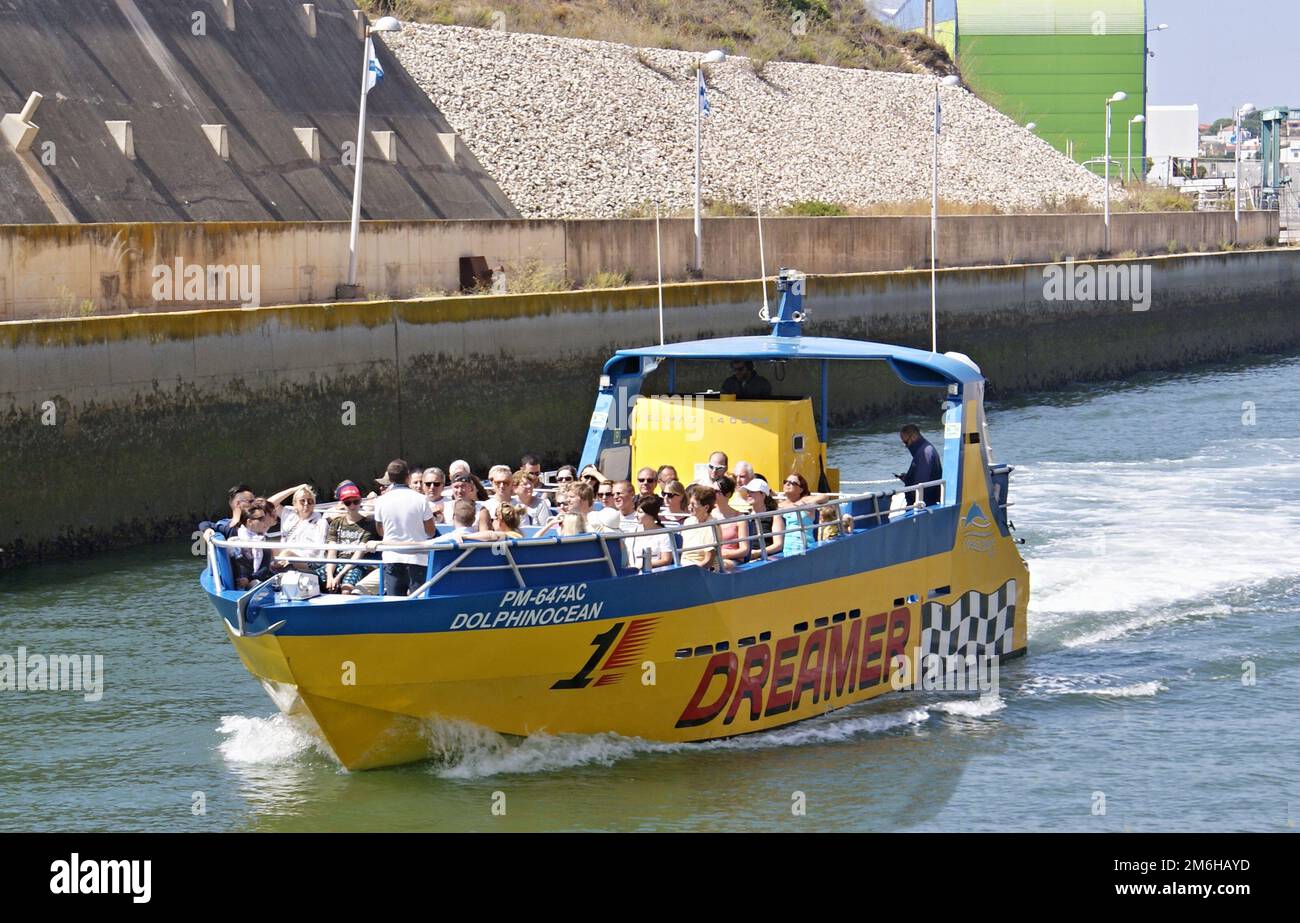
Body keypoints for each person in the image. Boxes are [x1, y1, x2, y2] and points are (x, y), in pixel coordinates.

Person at [371, 459, 436, 597]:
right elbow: (430, 531)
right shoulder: (420, 499)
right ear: (408, 476)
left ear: (389, 478)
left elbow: (380, 530)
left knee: (394, 604)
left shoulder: (381, 501)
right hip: (417, 559)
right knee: (418, 604)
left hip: (391, 558)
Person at [323, 485, 380, 594]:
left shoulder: (368, 524)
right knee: (313, 580)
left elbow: (357, 556)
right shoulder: (336, 523)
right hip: (337, 563)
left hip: (356, 565)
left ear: (360, 501)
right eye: (348, 503)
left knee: (346, 590)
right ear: (342, 504)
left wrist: (338, 576)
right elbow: (332, 552)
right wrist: (330, 576)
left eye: (356, 501)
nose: (352, 506)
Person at [776, 473, 829, 556]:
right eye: (786, 481)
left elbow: (825, 497)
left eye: (793, 483)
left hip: (804, 546)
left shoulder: (806, 500)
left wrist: (806, 504)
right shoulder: (781, 505)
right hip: (787, 547)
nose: (787, 484)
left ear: (801, 489)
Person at [230, 499, 276, 588]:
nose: (265, 521)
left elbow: (265, 568)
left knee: (256, 584)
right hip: (236, 582)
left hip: (255, 581)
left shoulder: (263, 541)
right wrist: (208, 531)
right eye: (261, 519)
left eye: (265, 518)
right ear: (249, 522)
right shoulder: (234, 533)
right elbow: (206, 524)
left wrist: (249, 579)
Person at [897, 423, 943, 507]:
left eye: (906, 442)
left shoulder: (924, 453)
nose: (906, 446)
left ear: (914, 436)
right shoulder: (925, 450)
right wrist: (908, 478)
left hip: (923, 505)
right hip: (926, 503)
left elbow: (921, 484)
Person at [680, 486, 723, 571]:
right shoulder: (688, 522)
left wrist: (689, 572)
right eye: (689, 503)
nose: (689, 507)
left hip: (704, 571)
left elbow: (708, 561)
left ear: (706, 507)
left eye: (693, 504)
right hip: (684, 567)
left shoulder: (712, 527)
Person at [627, 495, 674, 571]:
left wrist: (646, 564)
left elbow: (666, 560)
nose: (636, 515)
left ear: (651, 514)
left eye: (640, 512)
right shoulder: (632, 531)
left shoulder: (664, 534)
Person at [739, 478, 784, 557]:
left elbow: (778, 545)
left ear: (763, 494)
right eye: (748, 491)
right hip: (745, 558)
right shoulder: (744, 516)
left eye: (752, 492)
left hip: (766, 559)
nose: (748, 494)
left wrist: (757, 553)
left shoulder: (774, 515)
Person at [713, 475, 751, 567]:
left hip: (731, 560)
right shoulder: (707, 516)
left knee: (718, 566)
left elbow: (745, 549)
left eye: (716, 491)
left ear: (728, 494)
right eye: (710, 491)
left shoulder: (740, 518)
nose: (711, 494)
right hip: (711, 559)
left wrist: (723, 554)